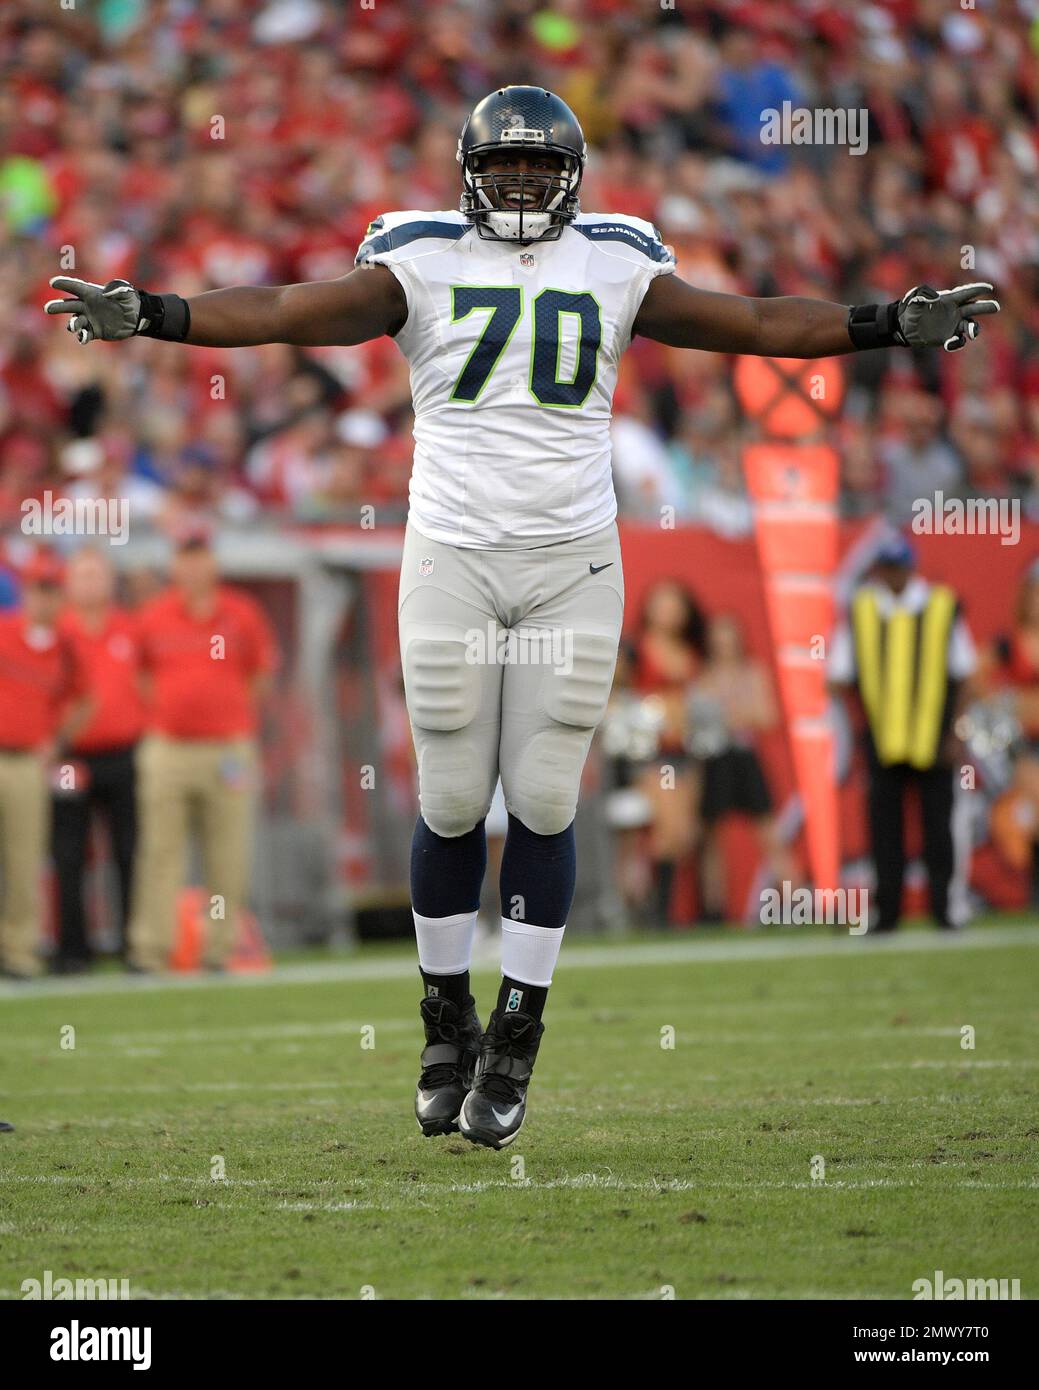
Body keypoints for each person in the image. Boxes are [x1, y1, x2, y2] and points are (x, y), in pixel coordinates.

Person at [44, 85, 999, 1147]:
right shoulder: (418, 254)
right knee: (452, 792)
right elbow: (281, 310)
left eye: (538, 170)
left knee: (543, 788)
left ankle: (518, 1030)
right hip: (451, 551)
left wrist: (886, 323)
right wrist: (157, 313)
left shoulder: (615, 256)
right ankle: (444, 1018)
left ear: (571, 178)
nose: (519, 185)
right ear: (468, 170)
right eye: (502, 167)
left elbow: (756, 325)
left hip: (571, 559)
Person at [126, 525, 276, 973]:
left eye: (200, 556)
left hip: (229, 749)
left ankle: (220, 949)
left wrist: (228, 719)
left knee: (228, 853)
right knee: (159, 851)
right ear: (174, 565)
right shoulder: (153, 616)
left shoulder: (240, 612)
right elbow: (141, 677)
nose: (193, 566)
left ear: (212, 562)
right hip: (169, 748)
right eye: (185, 557)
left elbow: (261, 675)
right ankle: (151, 951)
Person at [828, 536, 978, 932]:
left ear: (912, 567)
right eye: (886, 567)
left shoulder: (942, 607)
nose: (892, 575)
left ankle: (945, 910)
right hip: (882, 740)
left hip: (934, 736)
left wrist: (956, 732)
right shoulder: (861, 610)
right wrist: (864, 721)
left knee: (938, 827)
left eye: (898, 567)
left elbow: (964, 675)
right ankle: (887, 913)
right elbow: (839, 676)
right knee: (884, 830)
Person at [52, 547, 145, 971]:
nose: (90, 583)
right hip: (71, 758)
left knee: (129, 850)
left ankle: (134, 943)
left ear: (110, 581)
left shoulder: (130, 629)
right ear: (69, 582)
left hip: (124, 753)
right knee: (69, 853)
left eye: (97, 574)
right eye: (82, 575)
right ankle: (74, 949)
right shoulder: (56, 632)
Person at [0, 550, 90, 978]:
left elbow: (86, 697)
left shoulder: (66, 647)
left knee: (23, 859)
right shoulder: (3, 633)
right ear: (25, 591)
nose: (46, 599)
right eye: (39, 589)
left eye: (53, 590)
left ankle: (18, 951)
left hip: (26, 764)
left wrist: (57, 742)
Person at [692, 613, 789, 920]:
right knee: (710, 838)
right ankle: (713, 909)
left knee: (769, 833)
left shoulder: (753, 673)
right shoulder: (703, 677)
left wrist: (733, 713)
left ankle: (797, 903)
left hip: (744, 757)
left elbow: (767, 716)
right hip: (715, 759)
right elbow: (695, 723)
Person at [629, 580, 707, 925]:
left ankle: (666, 911)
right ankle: (655, 914)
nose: (670, 612)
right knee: (664, 832)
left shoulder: (689, 650)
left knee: (683, 834)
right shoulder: (638, 649)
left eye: (676, 605)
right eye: (663, 604)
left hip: (684, 750)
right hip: (653, 753)